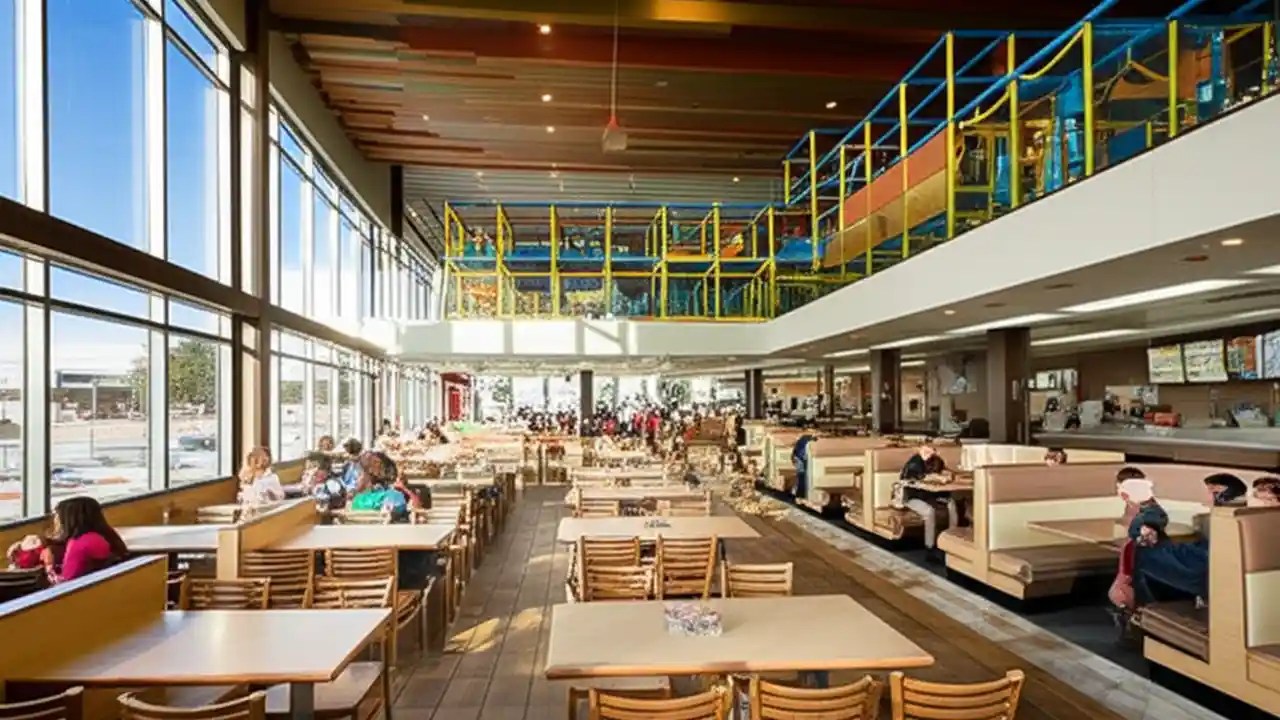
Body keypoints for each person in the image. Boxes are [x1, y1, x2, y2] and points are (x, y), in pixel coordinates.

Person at [43, 497, 128, 583]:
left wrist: (49, 570)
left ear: (69, 519)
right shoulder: (105, 536)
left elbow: (66, 582)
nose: (55, 521)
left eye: (57, 516)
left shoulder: (78, 544)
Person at [892, 441, 956, 550]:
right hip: (912, 497)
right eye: (928, 448)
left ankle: (951, 540)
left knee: (951, 503)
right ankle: (929, 546)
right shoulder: (914, 463)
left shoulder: (936, 459)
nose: (931, 450)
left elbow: (945, 472)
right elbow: (911, 479)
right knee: (929, 511)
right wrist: (931, 478)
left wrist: (945, 476)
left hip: (931, 495)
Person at [790, 427, 817, 500]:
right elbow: (798, 453)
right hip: (802, 463)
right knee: (802, 478)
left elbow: (796, 453)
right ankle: (801, 495)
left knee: (803, 479)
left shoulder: (804, 439)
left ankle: (801, 495)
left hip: (802, 463)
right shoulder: (805, 439)